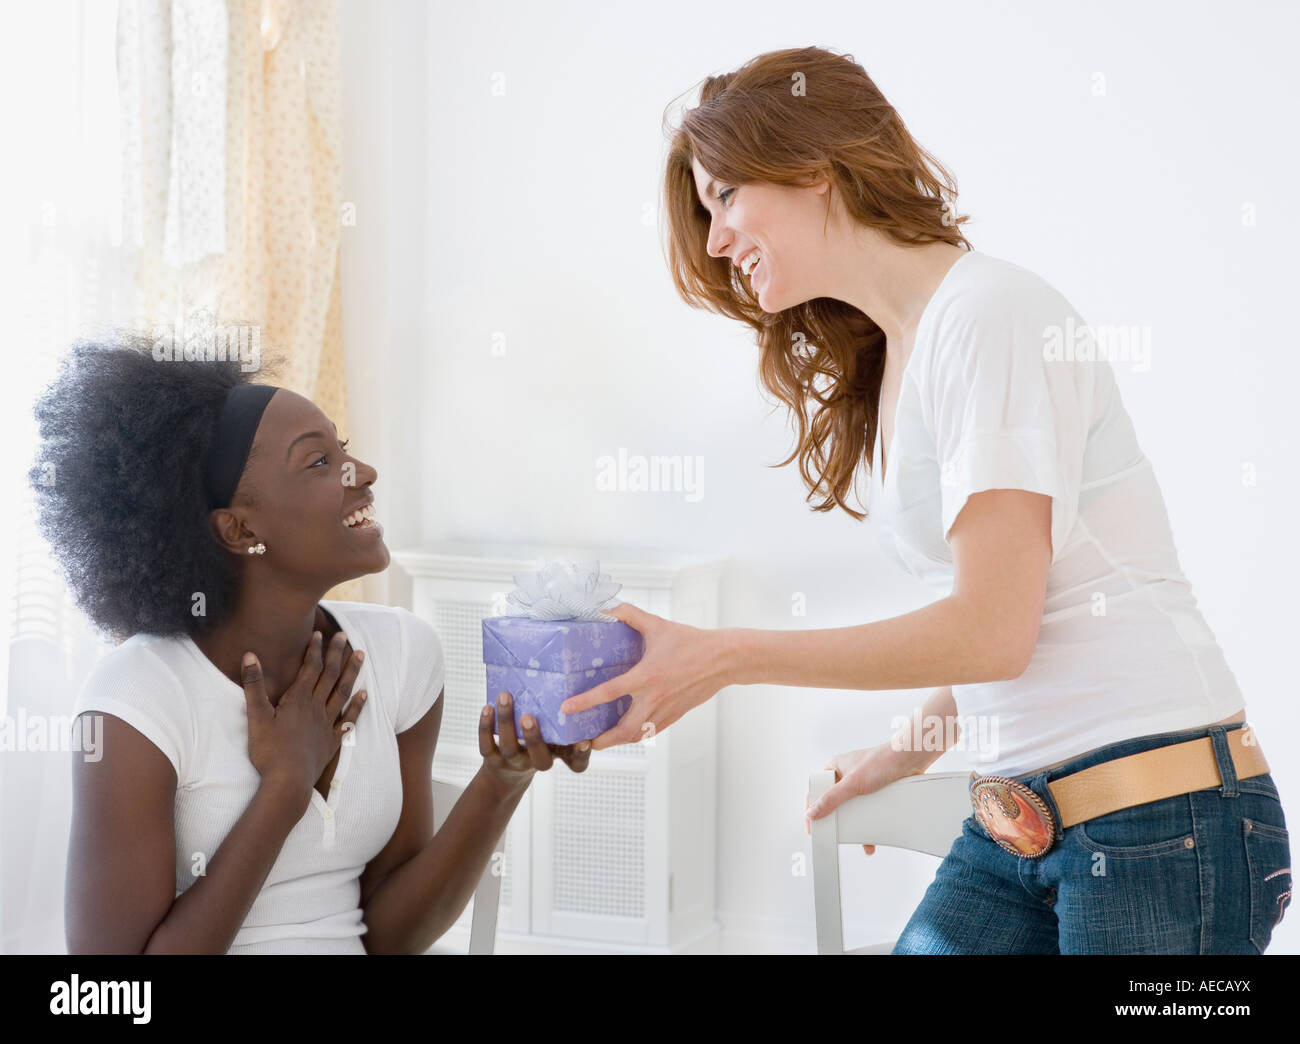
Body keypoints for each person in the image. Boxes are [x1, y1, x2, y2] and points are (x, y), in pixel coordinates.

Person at [559, 45, 1291, 953]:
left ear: (811, 168)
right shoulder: (903, 355)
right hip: (1024, 820)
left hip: (1160, 817)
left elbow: (994, 627)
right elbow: (1002, 610)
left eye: (724, 198)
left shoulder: (989, 314)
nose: (714, 240)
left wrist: (724, 655)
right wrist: (905, 751)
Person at [33, 334, 589, 954]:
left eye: (342, 449)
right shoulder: (135, 701)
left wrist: (501, 779)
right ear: (240, 529)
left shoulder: (402, 655)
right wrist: (285, 788)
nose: (366, 473)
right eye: (318, 461)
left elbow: (390, 938)